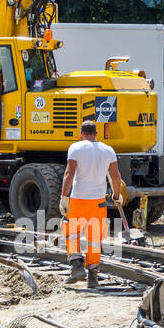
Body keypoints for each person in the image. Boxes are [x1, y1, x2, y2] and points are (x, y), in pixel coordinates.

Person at [60, 119, 123, 288]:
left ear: (81, 134)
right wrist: (117, 196)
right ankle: (93, 278)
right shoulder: (108, 150)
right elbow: (116, 177)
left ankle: (77, 267)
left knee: (71, 233)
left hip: (78, 200)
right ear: (96, 134)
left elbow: (69, 173)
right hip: (99, 203)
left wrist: (64, 197)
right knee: (94, 239)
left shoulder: (76, 148)